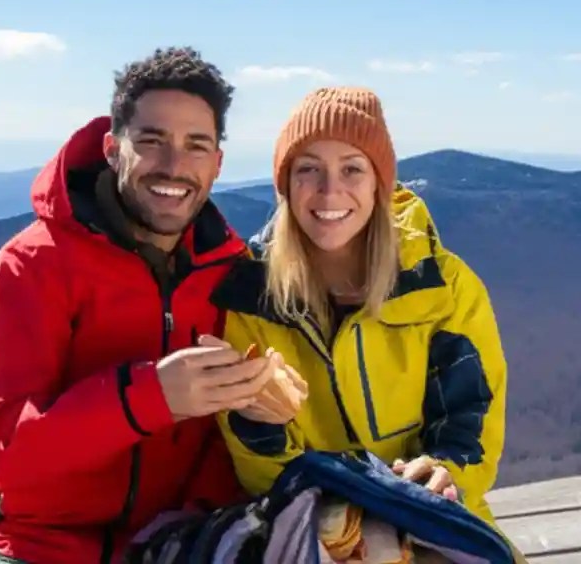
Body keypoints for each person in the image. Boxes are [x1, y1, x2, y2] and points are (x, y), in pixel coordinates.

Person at [0, 47, 277, 564]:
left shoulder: (233, 273)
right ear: (112, 148)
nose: (174, 166)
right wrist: (145, 398)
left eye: (197, 145)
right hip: (36, 548)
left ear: (218, 163)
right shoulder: (35, 264)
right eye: (151, 141)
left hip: (180, 544)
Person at [210, 86, 509, 527]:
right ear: (287, 187)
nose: (330, 191)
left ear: (378, 185)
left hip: (434, 519)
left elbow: (470, 416)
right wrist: (261, 426)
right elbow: (264, 478)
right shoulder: (252, 300)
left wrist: (447, 471)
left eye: (352, 169)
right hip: (310, 527)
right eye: (308, 169)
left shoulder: (442, 287)